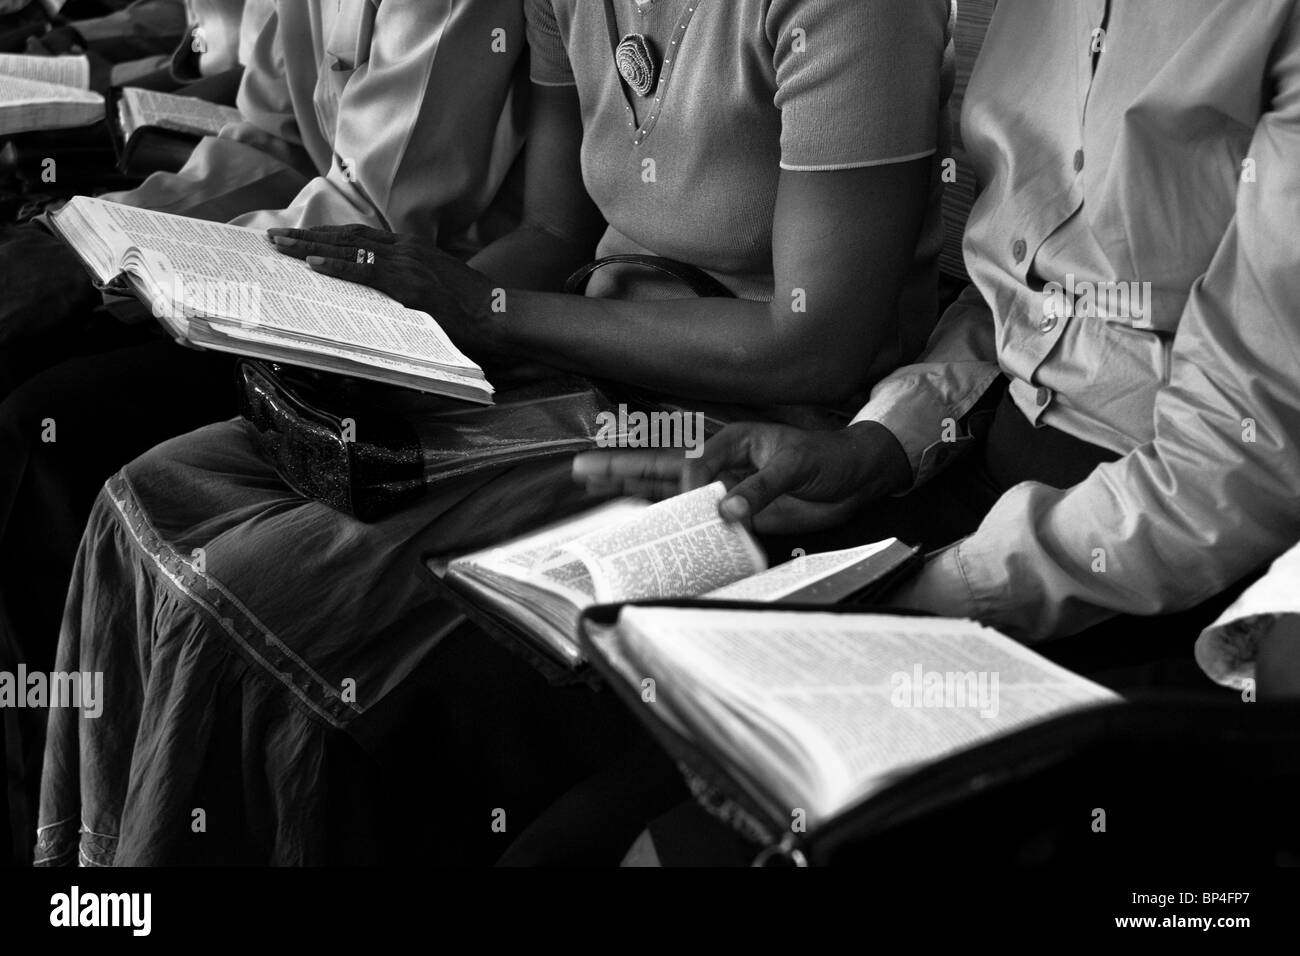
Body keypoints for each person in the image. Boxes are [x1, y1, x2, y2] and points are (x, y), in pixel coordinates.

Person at [38, 0, 957, 865]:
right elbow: (557, 227)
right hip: (582, 350)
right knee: (156, 492)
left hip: (750, 424)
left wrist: (489, 307)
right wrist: (381, 323)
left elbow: (815, 345)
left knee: (257, 594)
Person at [3, 0, 530, 865]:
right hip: (292, 265)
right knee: (29, 359)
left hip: (399, 308)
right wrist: (111, 237)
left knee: (43, 430)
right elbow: (272, 144)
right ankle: (52, 802)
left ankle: (98, 827)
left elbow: (375, 210)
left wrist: (161, 266)